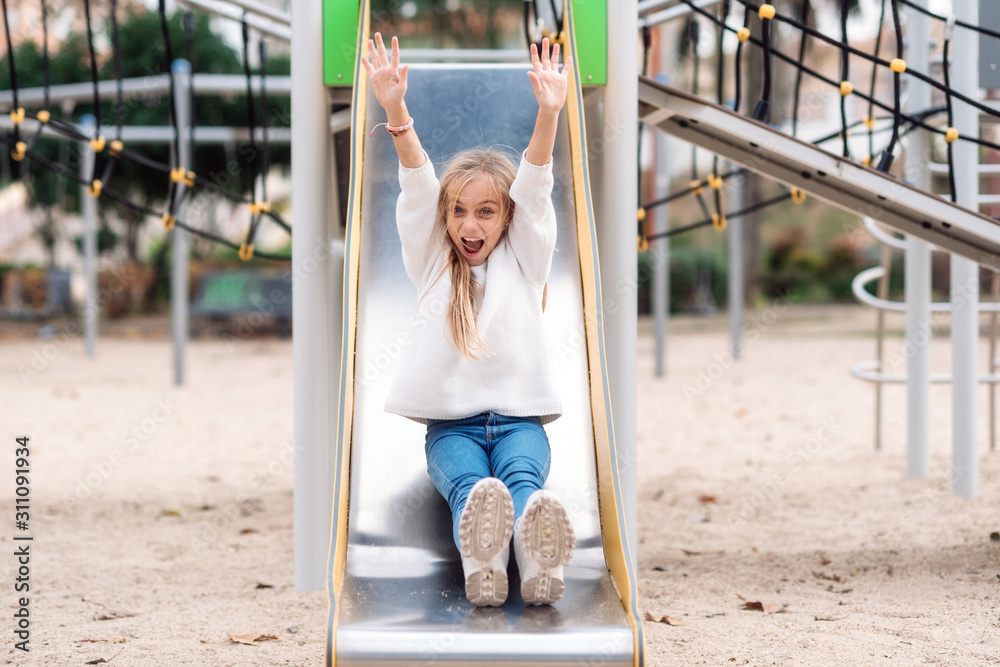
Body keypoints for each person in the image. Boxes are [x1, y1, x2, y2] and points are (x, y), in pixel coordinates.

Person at [361, 32, 576, 607]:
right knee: (473, 489)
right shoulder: (432, 261)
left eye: (485, 211)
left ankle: (537, 557)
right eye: (458, 211)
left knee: (523, 483)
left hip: (520, 421)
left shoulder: (525, 259)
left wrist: (549, 113)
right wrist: (395, 111)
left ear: (507, 218)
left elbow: (535, 185)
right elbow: (416, 185)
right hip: (451, 427)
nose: (469, 225)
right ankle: (483, 561)